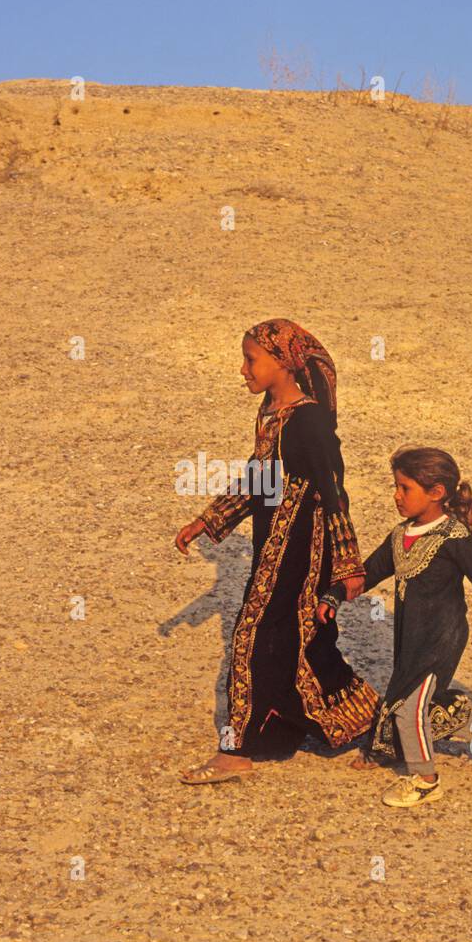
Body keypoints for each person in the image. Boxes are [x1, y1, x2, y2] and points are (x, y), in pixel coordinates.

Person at [175, 319, 378, 783]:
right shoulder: (271, 411)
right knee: (302, 641)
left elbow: (333, 493)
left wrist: (347, 565)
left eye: (251, 359)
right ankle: (370, 720)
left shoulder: (308, 422)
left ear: (282, 363)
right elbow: (257, 479)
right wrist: (208, 522)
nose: (243, 369)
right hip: (274, 546)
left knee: (251, 635)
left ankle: (238, 750)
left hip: (303, 549)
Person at [317, 446, 472, 807]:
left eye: (405, 488)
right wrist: (332, 596)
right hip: (410, 638)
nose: (396, 496)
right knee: (411, 701)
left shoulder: (454, 537)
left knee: (409, 706)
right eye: (396, 486)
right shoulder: (400, 536)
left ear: (436, 492)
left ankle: (425, 780)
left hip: (442, 637)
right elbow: (369, 573)